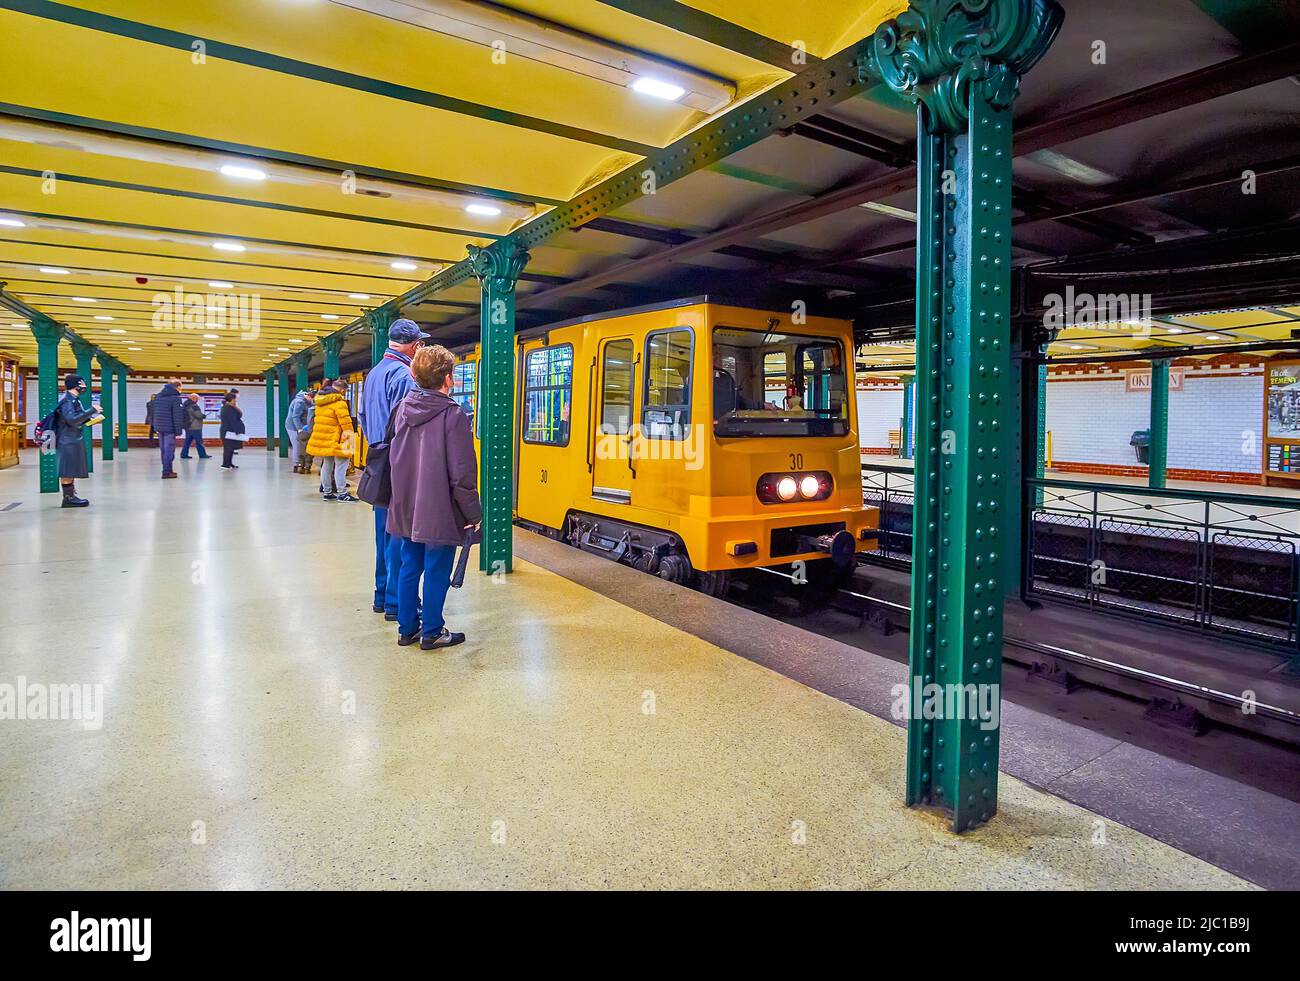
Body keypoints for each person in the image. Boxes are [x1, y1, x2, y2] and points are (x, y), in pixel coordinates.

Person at [386, 344, 481, 651]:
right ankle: (432, 631)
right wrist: (474, 514)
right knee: (438, 567)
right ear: (449, 379)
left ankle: (407, 629)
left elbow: (391, 453)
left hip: (405, 504)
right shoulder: (453, 415)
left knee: (409, 565)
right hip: (439, 507)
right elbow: (462, 474)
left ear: (415, 375)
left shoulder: (401, 409)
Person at [359, 318, 426, 618]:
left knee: (382, 535)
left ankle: (381, 594)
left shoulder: (374, 374)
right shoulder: (403, 374)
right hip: (397, 465)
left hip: (377, 463)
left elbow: (362, 416)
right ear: (413, 345)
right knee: (399, 537)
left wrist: (375, 444)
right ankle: (397, 603)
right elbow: (405, 423)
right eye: (419, 344)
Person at [306, 378, 357, 501]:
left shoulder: (320, 402)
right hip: (338, 440)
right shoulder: (340, 403)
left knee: (327, 465)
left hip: (324, 439)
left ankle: (327, 492)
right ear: (343, 390)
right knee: (341, 466)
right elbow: (346, 424)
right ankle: (342, 493)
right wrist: (351, 441)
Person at [54, 373, 98, 508]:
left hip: (71, 438)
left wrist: (88, 418)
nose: (85, 386)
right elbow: (71, 419)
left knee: (70, 468)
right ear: (77, 385)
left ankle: (70, 496)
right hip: (67, 440)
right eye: (82, 384)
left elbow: (74, 418)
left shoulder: (72, 399)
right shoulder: (68, 400)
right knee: (67, 469)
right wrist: (92, 410)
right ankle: (68, 498)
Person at [152, 378, 186, 478]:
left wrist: (155, 426)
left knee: (163, 450)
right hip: (169, 428)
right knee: (169, 450)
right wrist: (178, 430)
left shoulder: (158, 396)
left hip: (160, 427)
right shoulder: (175, 398)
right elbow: (177, 415)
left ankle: (166, 469)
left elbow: (153, 412)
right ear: (178, 386)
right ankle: (167, 472)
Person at [285, 387, 315, 473]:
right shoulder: (300, 402)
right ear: (309, 396)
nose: (313, 401)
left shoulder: (304, 400)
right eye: (312, 399)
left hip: (299, 426)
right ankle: (296, 465)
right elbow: (295, 416)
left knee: (299, 446)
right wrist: (299, 429)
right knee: (297, 446)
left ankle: (299, 464)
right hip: (293, 427)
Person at [180, 393, 210, 459]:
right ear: (194, 398)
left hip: (187, 426)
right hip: (195, 426)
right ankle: (202, 455)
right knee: (199, 441)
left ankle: (183, 454)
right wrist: (204, 416)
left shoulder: (185, 405)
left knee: (187, 442)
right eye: (197, 399)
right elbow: (198, 415)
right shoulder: (194, 406)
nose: (197, 400)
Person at [219, 392, 245, 470]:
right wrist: (237, 431)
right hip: (228, 432)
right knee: (228, 448)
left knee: (231, 448)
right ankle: (225, 465)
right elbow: (232, 421)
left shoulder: (229, 407)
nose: (236, 400)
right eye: (235, 399)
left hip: (229, 432)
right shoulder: (228, 408)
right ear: (231, 399)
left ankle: (229, 463)